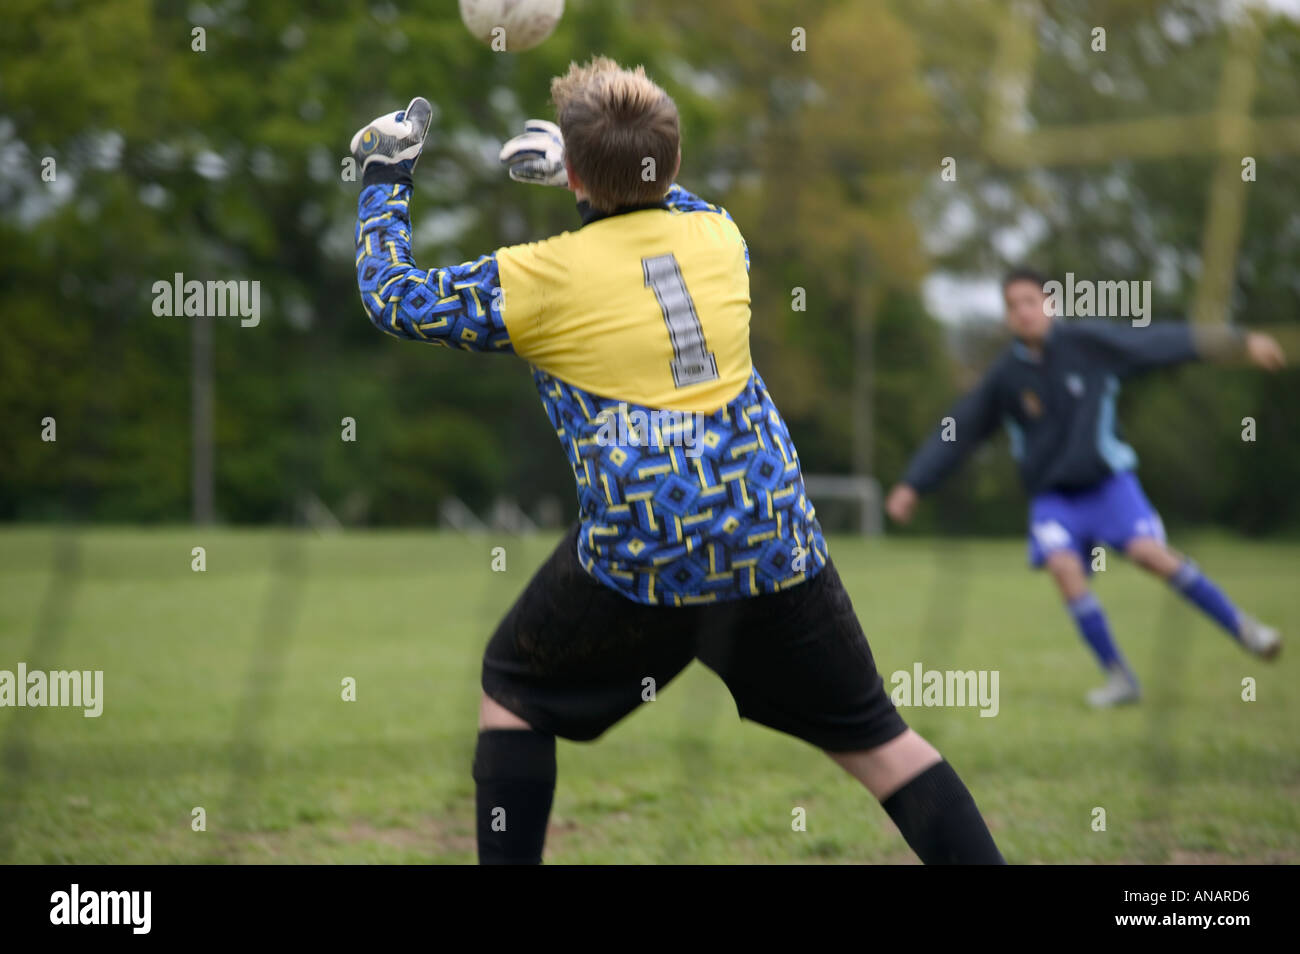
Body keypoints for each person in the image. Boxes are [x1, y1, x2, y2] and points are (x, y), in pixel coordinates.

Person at [349, 57, 1004, 864]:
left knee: (512, 690)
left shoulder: (538, 276)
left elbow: (394, 296)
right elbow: (656, 198)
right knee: (884, 746)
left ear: (580, 177)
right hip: (770, 538)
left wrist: (384, 171)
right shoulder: (720, 236)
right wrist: (585, 170)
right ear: (676, 163)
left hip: (644, 555)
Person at [887, 267, 1285, 707]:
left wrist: (1239, 341)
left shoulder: (1090, 346)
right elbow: (960, 428)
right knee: (1063, 567)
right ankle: (1119, 678)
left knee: (1149, 555)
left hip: (1109, 485)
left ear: (1050, 305)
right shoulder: (1006, 376)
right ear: (1006, 317)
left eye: (1029, 301)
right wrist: (913, 483)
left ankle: (1245, 629)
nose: (1022, 311)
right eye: (1012, 305)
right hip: (1054, 499)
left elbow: (1160, 342)